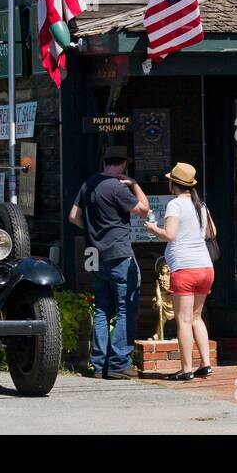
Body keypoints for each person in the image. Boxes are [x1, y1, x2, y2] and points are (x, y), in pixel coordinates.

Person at [68, 145, 150, 380]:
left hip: (93, 253)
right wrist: (134, 184)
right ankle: (118, 363)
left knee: (102, 308)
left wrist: (94, 232)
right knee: (126, 308)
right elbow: (143, 210)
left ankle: (98, 363)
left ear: (105, 162)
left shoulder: (88, 184)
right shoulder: (118, 187)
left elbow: (73, 217)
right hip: (118, 253)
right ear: (123, 164)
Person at [144, 162, 215, 381]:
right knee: (196, 318)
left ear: (173, 183)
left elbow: (170, 234)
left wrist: (153, 229)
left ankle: (186, 369)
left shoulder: (175, 204)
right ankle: (205, 364)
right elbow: (213, 231)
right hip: (205, 267)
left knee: (183, 320)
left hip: (184, 268)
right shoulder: (200, 204)